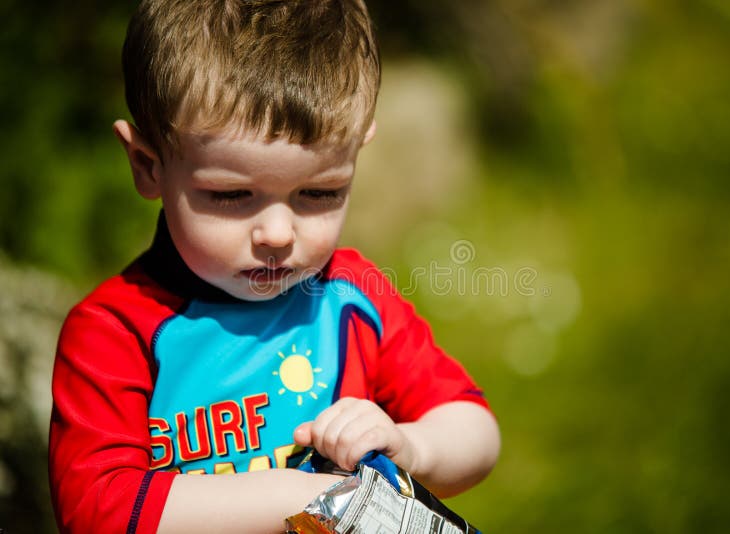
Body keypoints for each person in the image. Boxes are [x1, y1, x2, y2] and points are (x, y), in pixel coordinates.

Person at [48, 1, 501, 532]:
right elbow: (97, 510)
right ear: (148, 167)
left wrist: (412, 447)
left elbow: (475, 429)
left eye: (320, 192)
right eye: (232, 195)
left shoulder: (351, 294)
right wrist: (308, 497)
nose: (279, 234)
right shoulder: (115, 333)